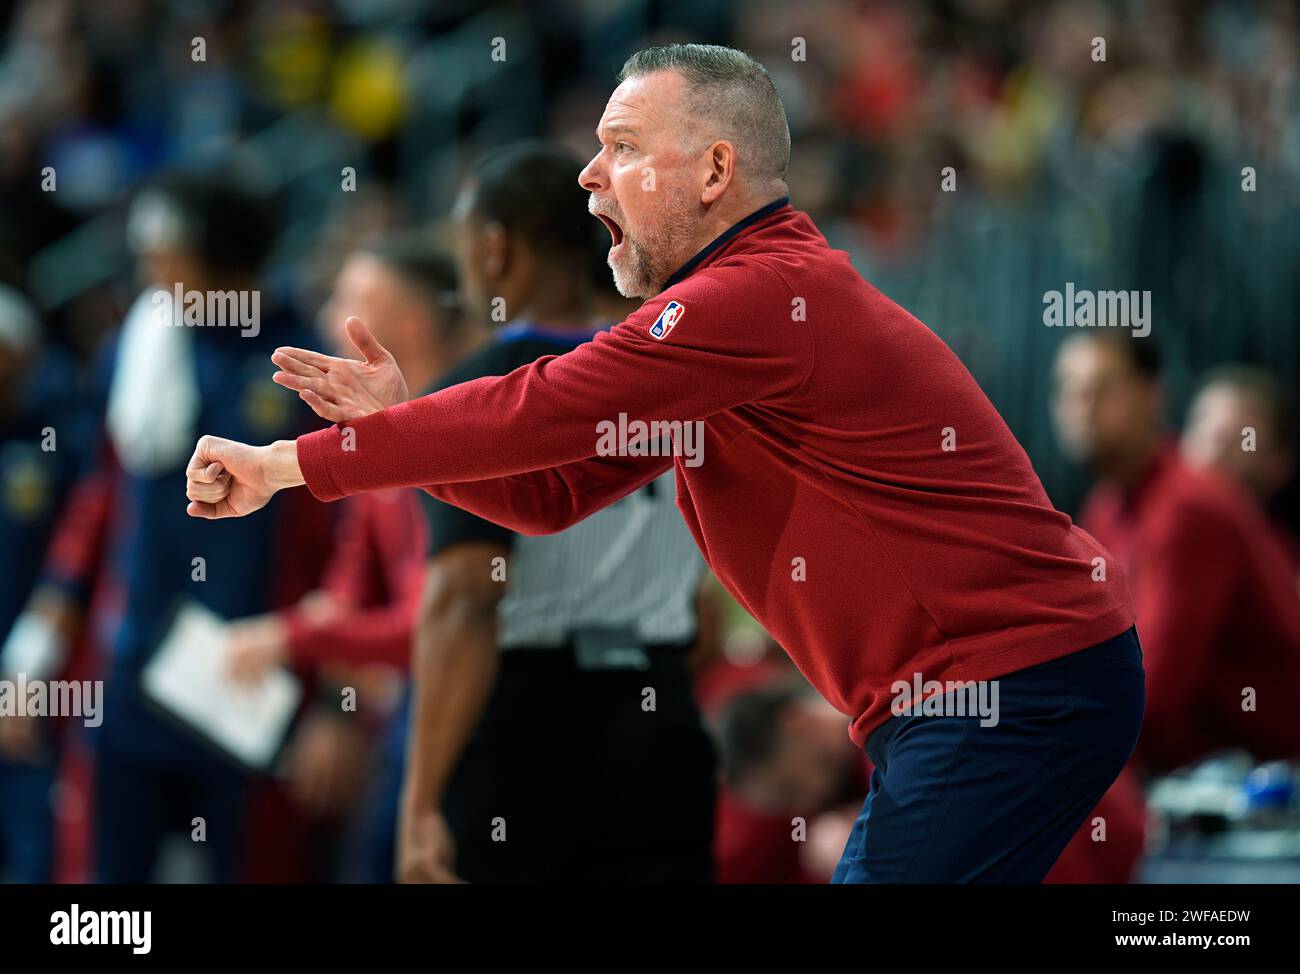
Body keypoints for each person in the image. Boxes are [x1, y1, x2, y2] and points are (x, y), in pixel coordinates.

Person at [185, 44, 1143, 883]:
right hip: (984, 691)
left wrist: (290, 464)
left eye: (626, 146)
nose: (590, 175)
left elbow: (546, 403)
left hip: (1011, 684)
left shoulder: (759, 294)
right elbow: (553, 491)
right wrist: (399, 435)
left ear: (717, 169)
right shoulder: (730, 324)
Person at [397, 142, 715, 883]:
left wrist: (417, 804)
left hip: (528, 733)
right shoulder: (681, 362)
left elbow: (466, 597)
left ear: (494, 247)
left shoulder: (481, 385)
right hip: (662, 718)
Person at [1052, 331, 1300, 773]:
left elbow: (1153, 695)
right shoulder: (1107, 507)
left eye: (1101, 389)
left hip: (1265, 787)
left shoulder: (1190, 507)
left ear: (1153, 395)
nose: (1080, 407)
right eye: (1067, 390)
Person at [1180, 365, 1300, 578]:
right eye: (1203, 427)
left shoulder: (1284, 576)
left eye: (1242, 438)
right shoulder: (1117, 517)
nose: (1212, 452)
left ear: (1280, 463)